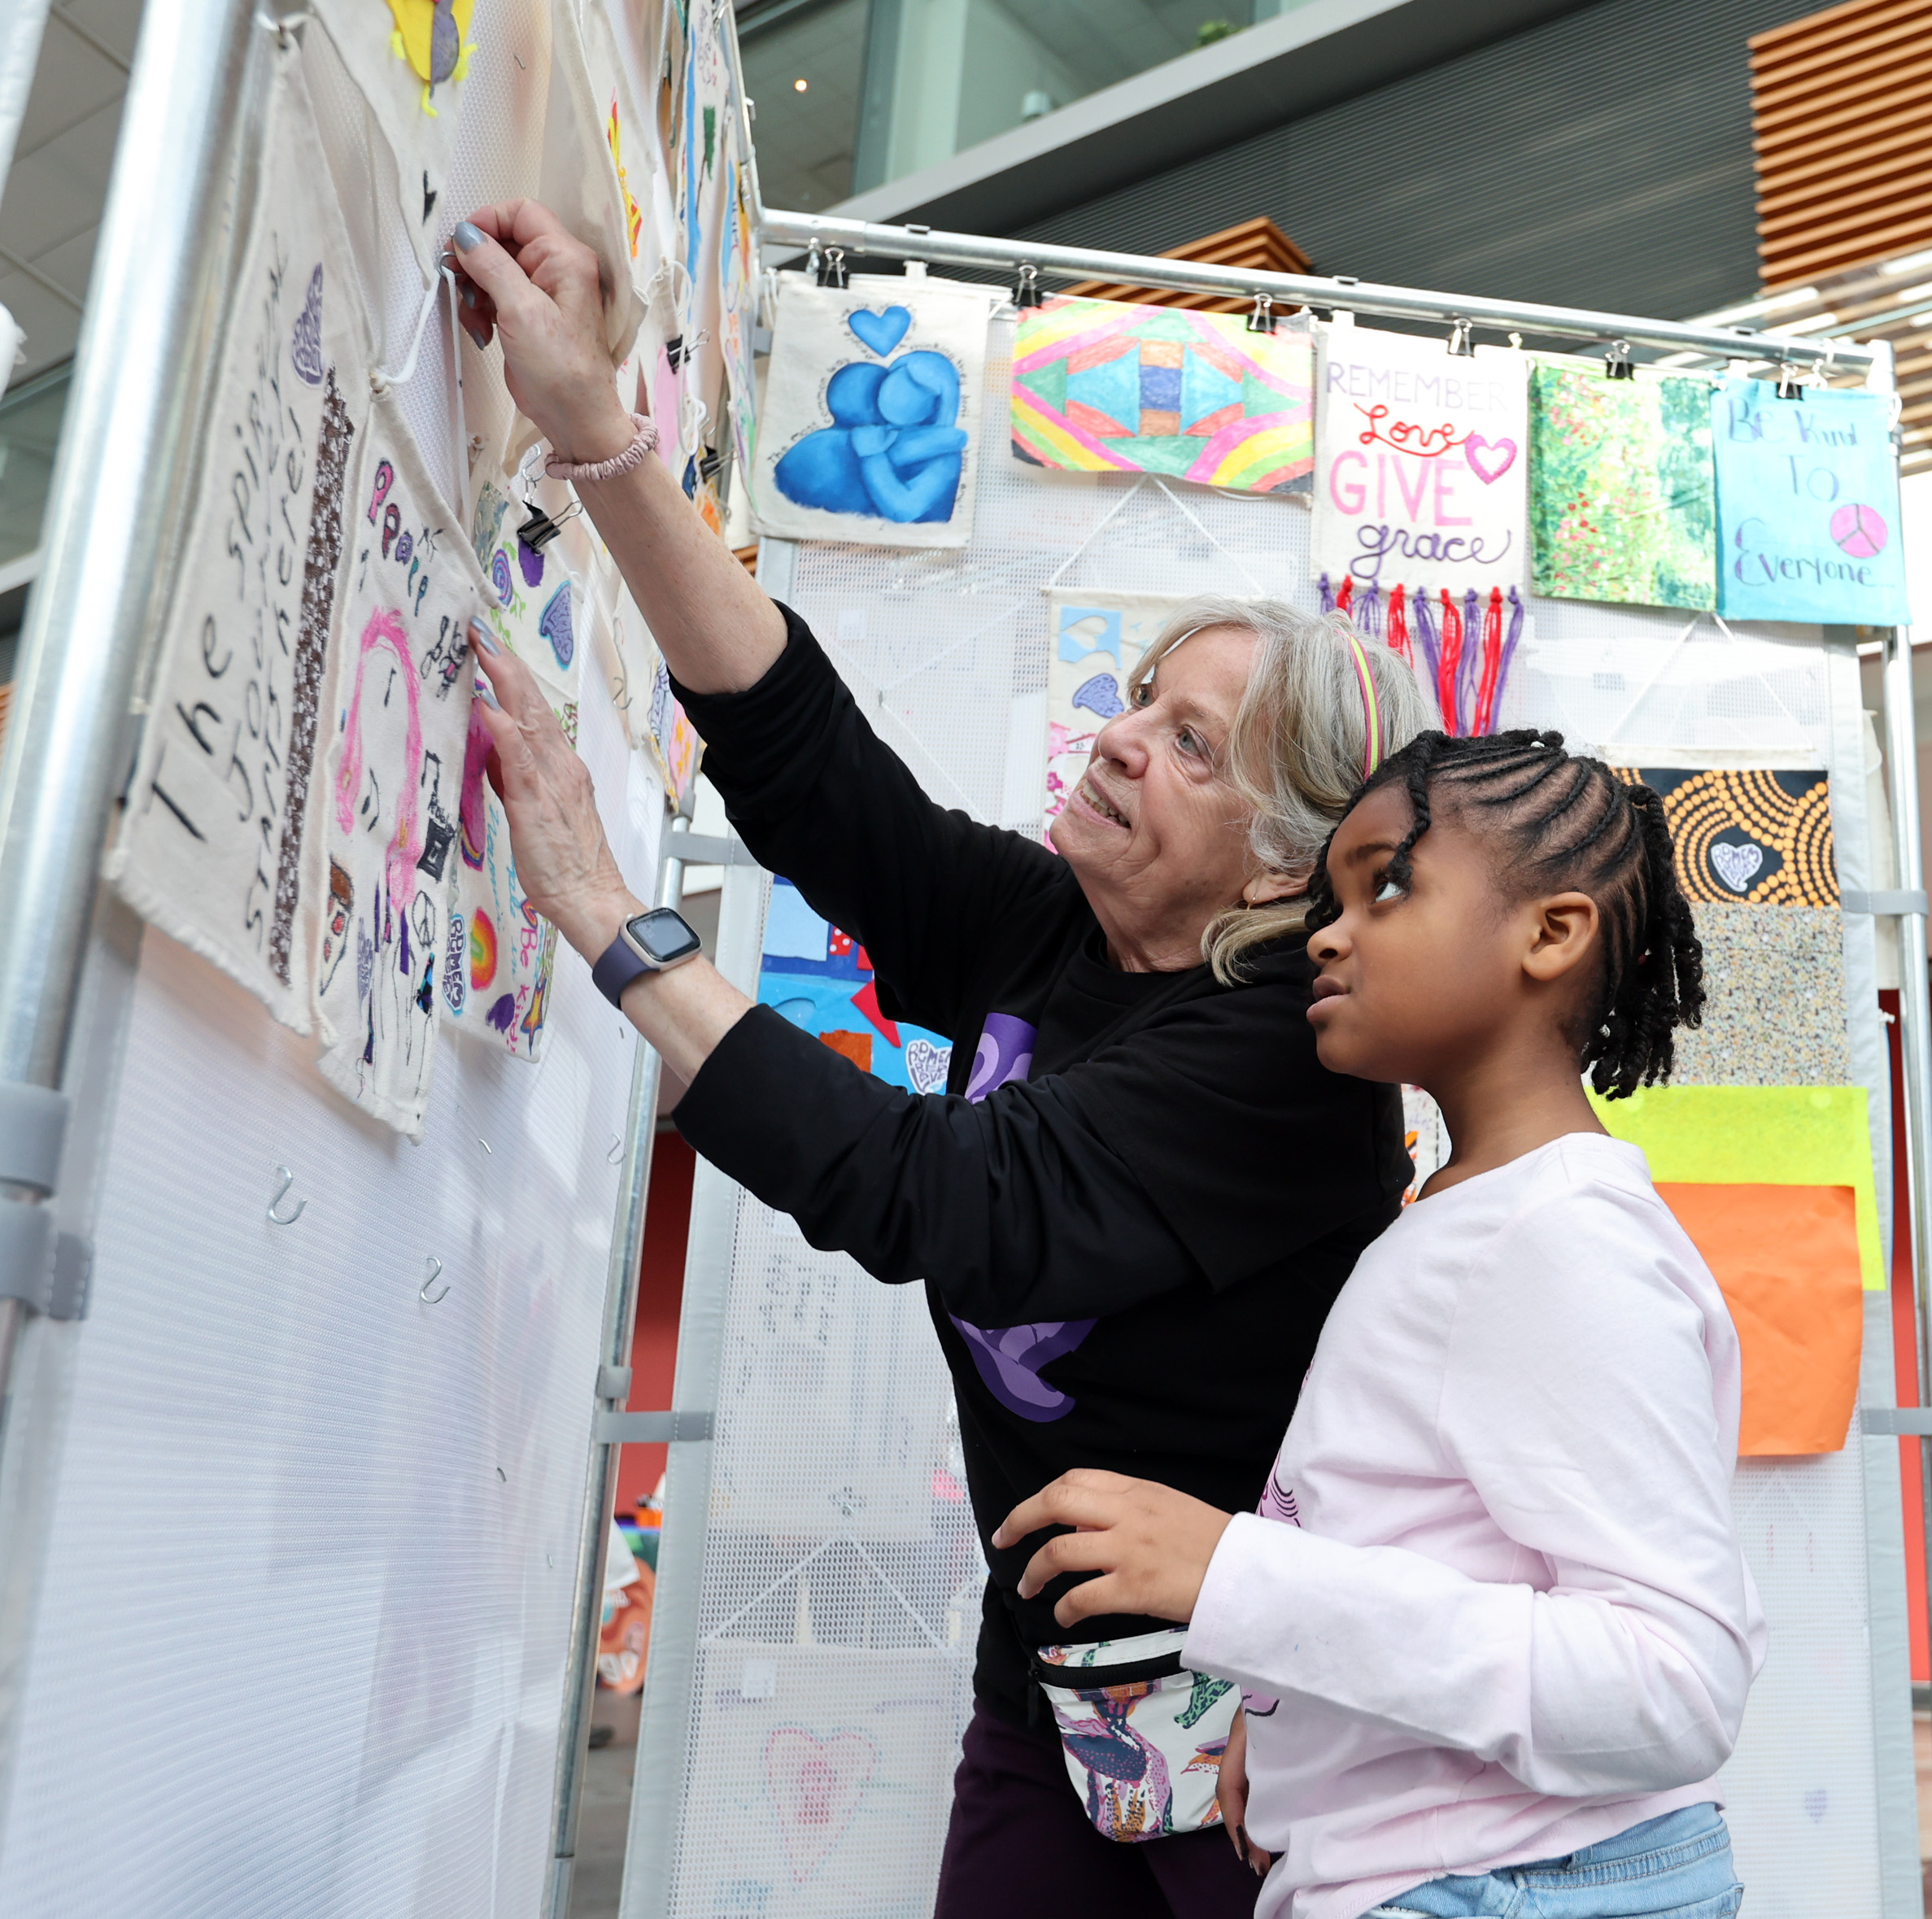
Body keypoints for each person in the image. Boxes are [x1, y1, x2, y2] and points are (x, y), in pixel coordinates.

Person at [447, 202, 1430, 1919]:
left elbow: (939, 1195)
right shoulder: (1063, 924)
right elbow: (821, 777)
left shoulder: (1286, 1062)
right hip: (1054, 1685)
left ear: (1283, 860)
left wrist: (606, 914)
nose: (1118, 739)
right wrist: (598, 435)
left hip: (1265, 1732)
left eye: (1190, 743)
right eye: (1140, 698)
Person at [992, 731, 1768, 1919]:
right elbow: (1440, 1552)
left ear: (1552, 934)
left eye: (1386, 885)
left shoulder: (1558, 1238)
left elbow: (1674, 1684)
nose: (1325, 934)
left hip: (1516, 1886)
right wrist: (1297, 1720)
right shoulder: (1475, 1217)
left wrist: (1236, 1576)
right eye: (1330, 900)